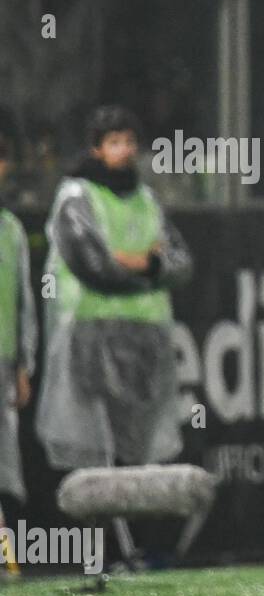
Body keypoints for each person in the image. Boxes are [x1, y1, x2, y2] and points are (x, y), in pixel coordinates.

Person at [36, 105, 193, 566]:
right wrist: (151, 266)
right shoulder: (76, 197)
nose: (124, 152)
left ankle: (139, 551)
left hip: (144, 340)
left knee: (137, 453)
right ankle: (96, 554)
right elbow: (94, 267)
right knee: (93, 454)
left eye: (129, 142)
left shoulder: (146, 199)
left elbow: (181, 263)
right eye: (114, 143)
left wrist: (140, 263)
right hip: (89, 336)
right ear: (96, 148)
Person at [0, 132, 38, 552]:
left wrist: (24, 365)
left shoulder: (11, 230)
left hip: (4, 362)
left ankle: (6, 551)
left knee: (4, 464)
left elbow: (25, 301)